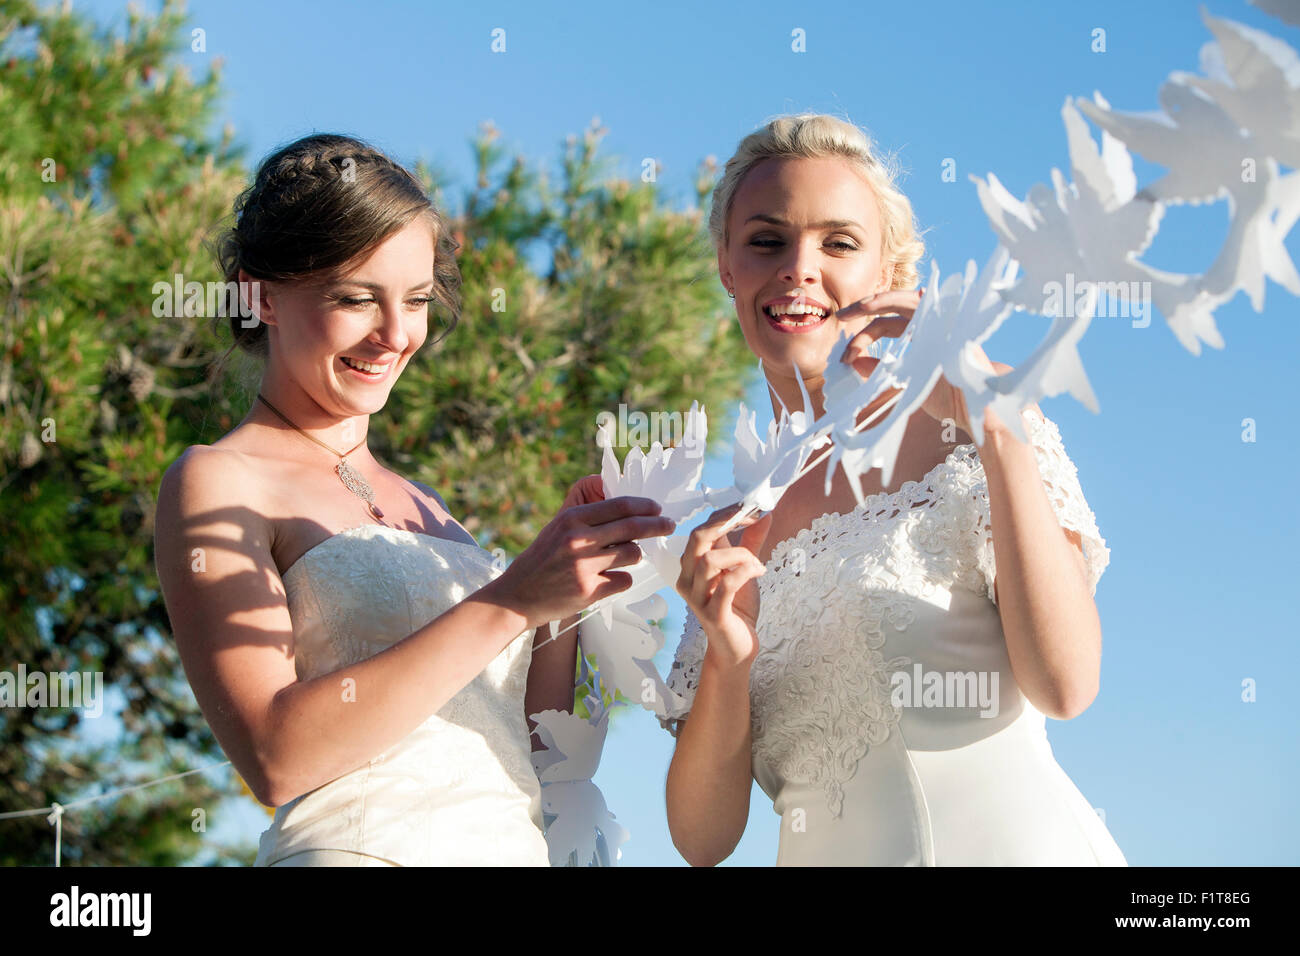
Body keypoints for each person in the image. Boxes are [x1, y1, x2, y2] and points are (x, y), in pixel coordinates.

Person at [152, 133, 673, 866]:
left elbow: (527, 741)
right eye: (356, 298)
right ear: (258, 294)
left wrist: (566, 581)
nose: (396, 335)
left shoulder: (429, 507)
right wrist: (513, 599)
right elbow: (275, 755)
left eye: (418, 300)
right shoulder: (219, 477)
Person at [662, 113, 1127, 866]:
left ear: (888, 274)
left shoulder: (977, 435)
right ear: (726, 265)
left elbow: (1067, 686)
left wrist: (997, 430)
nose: (799, 267)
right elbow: (702, 840)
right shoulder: (730, 532)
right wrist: (728, 653)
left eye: (838, 242)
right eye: (766, 240)